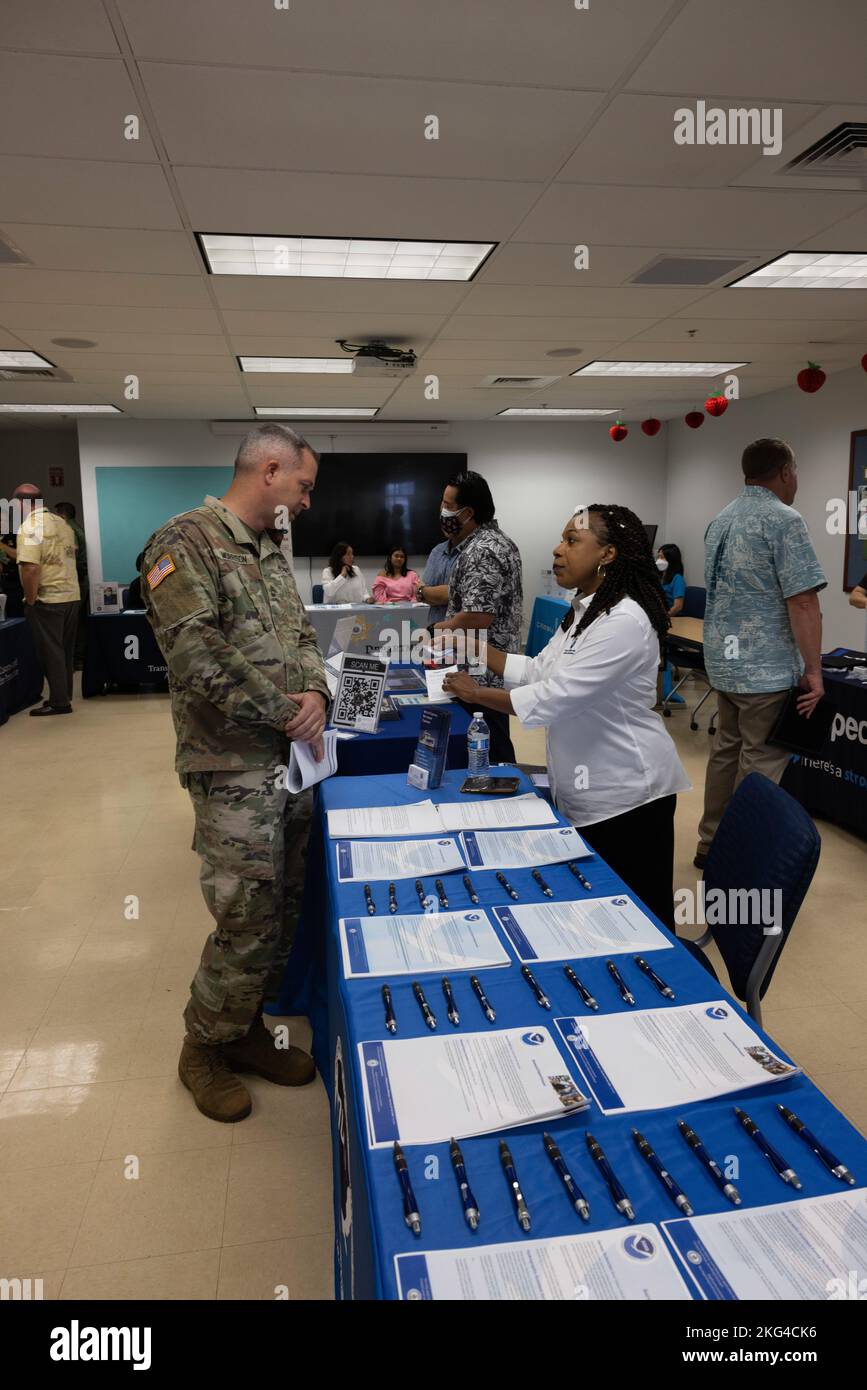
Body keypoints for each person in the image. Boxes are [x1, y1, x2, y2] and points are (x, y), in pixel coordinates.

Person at [142, 424, 330, 1124]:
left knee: (281, 910)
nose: (307, 501)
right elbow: (194, 651)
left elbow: (301, 636)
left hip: (288, 762)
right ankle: (202, 1047)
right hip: (232, 766)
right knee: (244, 914)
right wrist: (287, 711)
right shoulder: (181, 542)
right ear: (271, 470)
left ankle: (244, 1031)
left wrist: (316, 692)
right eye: (304, 486)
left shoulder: (272, 548)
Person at [443, 505, 689, 929]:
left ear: (608, 554)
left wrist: (477, 693)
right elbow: (539, 670)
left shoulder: (624, 619)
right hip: (587, 788)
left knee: (640, 923)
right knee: (599, 918)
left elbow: (556, 697)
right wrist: (477, 649)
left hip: (627, 796)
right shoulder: (585, 610)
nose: (558, 551)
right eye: (561, 540)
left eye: (572, 541)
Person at [695, 437, 826, 869]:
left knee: (726, 752)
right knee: (761, 761)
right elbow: (803, 602)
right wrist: (814, 671)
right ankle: (743, 856)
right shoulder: (784, 520)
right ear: (786, 472)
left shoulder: (721, 519)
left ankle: (711, 843)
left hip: (723, 663)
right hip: (764, 669)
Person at [433, 471, 523, 764]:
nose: (442, 511)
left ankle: (505, 802)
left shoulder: (484, 550)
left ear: (468, 512)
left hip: (483, 674)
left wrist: (437, 629)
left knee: (490, 749)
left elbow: (477, 616)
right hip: (485, 669)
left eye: (447, 505)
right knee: (489, 743)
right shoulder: (492, 542)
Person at [14, 483, 80, 716]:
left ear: (21, 503)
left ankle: (59, 702)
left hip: (48, 599)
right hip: (71, 595)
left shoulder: (30, 526)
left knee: (49, 652)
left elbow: (30, 568)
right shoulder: (61, 523)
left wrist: (31, 601)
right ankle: (63, 695)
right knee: (64, 651)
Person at [56, 501, 89, 669]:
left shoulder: (68, 529)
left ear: (62, 515)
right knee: (80, 622)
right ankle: (79, 658)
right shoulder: (78, 527)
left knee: (73, 623)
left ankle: (75, 659)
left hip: (76, 580)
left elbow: (73, 550)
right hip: (83, 580)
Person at [657, 542, 686, 704]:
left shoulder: (677, 579)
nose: (659, 560)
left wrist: (663, 617)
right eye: (658, 556)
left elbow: (678, 606)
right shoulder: (661, 577)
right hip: (660, 618)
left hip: (672, 621)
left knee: (662, 650)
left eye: (662, 557)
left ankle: (667, 689)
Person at [417, 525, 460, 627]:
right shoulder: (437, 550)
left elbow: (464, 596)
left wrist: (428, 593)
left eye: (449, 508)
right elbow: (421, 593)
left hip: (464, 632)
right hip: (435, 627)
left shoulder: (476, 550)